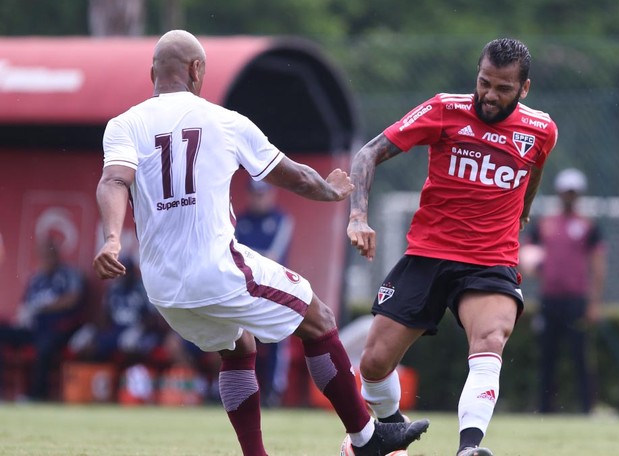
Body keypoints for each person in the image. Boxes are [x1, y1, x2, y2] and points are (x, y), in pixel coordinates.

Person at [92, 30, 428, 456]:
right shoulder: (225, 121)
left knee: (239, 346)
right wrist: (330, 191)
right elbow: (294, 175)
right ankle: (366, 437)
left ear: (152, 73)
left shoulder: (124, 125)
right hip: (216, 269)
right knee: (319, 319)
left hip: (161, 286)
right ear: (198, 71)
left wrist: (110, 239)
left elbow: (113, 180)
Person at [347, 38, 558, 456]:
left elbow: (534, 170)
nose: (490, 95)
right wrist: (357, 217)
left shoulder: (541, 130)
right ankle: (390, 433)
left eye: (502, 88)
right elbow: (367, 154)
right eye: (484, 83)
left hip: (489, 261)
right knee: (372, 363)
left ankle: (469, 448)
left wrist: (524, 211)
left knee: (491, 338)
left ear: (524, 88)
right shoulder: (445, 109)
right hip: (428, 253)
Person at [522, 168, 606, 415]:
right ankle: (545, 409)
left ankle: (586, 408)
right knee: (548, 357)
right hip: (549, 300)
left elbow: (598, 266)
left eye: (574, 192)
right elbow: (526, 252)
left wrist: (594, 303)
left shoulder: (588, 226)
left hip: (576, 301)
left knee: (581, 356)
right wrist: (534, 267)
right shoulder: (545, 224)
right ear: (559, 193)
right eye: (566, 192)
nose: (569, 196)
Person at [0, 236, 86, 400]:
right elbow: (26, 304)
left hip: (59, 328)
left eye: (50, 253)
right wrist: (24, 314)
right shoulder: (36, 278)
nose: (46, 258)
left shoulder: (70, 274)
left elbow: (72, 299)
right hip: (34, 327)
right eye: (43, 254)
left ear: (57, 254)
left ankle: (37, 395)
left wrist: (44, 306)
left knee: (44, 345)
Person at [235, 180, 295, 407]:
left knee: (279, 337)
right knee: (234, 337)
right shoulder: (239, 221)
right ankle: (239, 391)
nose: (259, 198)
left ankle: (273, 391)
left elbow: (273, 256)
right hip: (243, 292)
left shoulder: (281, 220)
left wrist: (248, 257)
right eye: (255, 194)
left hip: (273, 293)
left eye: (263, 194)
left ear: (272, 194)